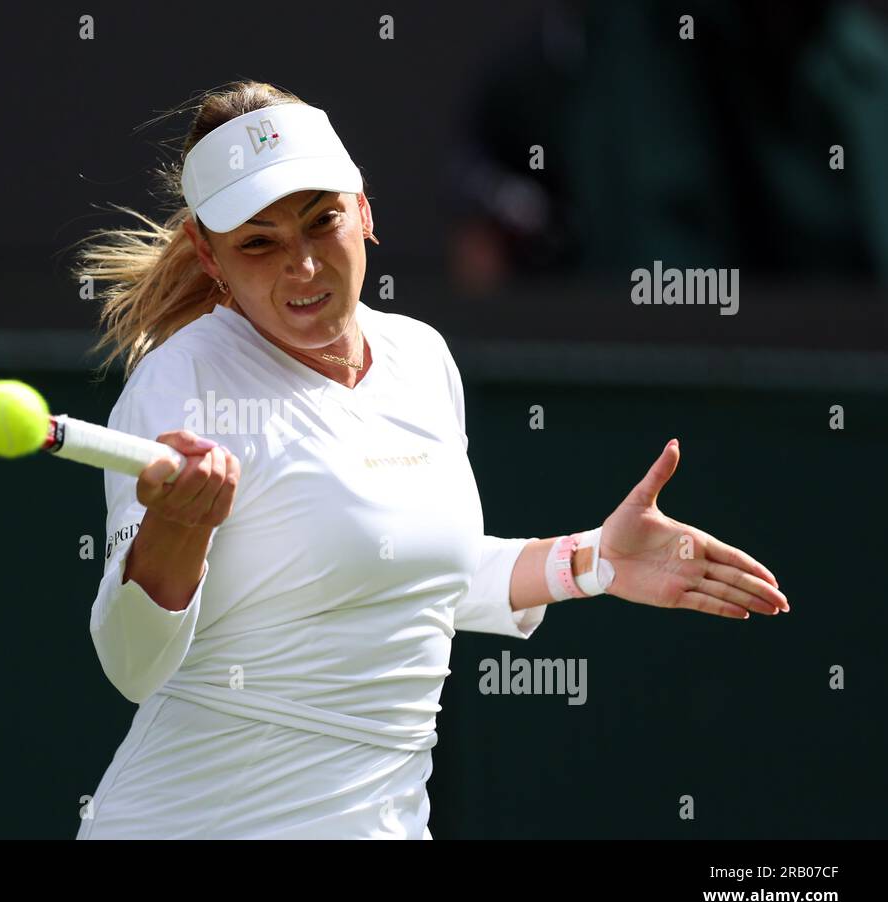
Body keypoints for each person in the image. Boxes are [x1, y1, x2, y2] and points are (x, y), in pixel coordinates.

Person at [69, 81, 788, 839]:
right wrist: (174, 536)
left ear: (366, 211)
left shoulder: (421, 357)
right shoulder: (179, 384)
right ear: (208, 257)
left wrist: (594, 561)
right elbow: (131, 666)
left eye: (323, 222)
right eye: (259, 242)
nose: (304, 266)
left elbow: (416, 577)